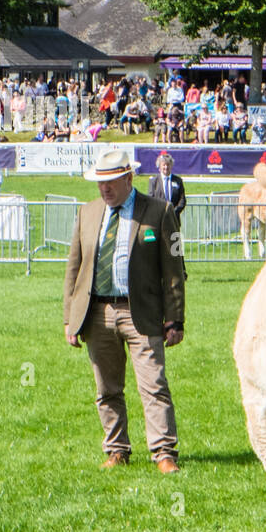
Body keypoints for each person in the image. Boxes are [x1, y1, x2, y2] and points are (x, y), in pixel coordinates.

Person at [64, 150, 187, 474]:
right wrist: (69, 318)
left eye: (111, 182)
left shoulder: (160, 211)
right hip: (97, 313)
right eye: (99, 182)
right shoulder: (87, 213)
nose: (104, 188)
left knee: (154, 385)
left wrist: (175, 318)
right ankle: (117, 450)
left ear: (129, 178)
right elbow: (74, 269)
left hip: (142, 313)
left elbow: (174, 269)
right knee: (107, 389)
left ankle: (164, 453)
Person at [147, 151, 186, 219]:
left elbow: (182, 199)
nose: (166, 167)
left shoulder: (178, 180)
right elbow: (150, 199)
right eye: (164, 165)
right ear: (159, 166)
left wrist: (174, 212)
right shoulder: (153, 181)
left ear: (171, 166)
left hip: (174, 218)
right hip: (158, 218)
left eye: (168, 165)